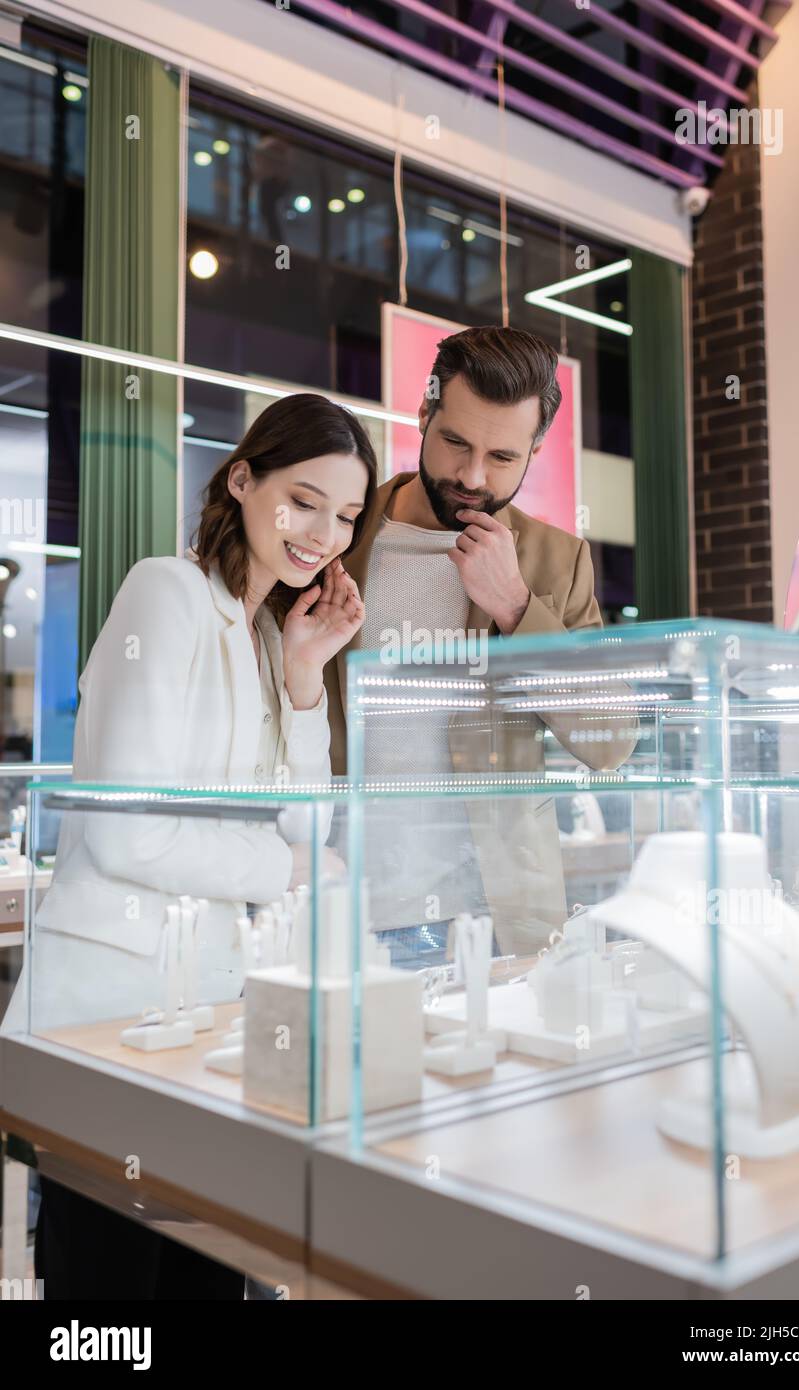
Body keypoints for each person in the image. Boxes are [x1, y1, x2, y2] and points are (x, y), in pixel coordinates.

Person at [5, 391, 375, 1298]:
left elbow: (310, 828)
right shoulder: (163, 592)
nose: (323, 534)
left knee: (202, 1282)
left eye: (348, 516)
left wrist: (300, 679)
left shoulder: (262, 638)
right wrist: (278, 869)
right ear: (242, 480)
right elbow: (128, 828)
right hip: (111, 1027)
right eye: (303, 500)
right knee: (107, 1304)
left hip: (206, 1020)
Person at [323, 325, 637, 961]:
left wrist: (518, 608)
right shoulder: (338, 533)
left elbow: (611, 739)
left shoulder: (555, 561)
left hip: (492, 921)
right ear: (423, 414)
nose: (470, 475)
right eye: (454, 442)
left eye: (501, 458)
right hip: (340, 906)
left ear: (536, 449)